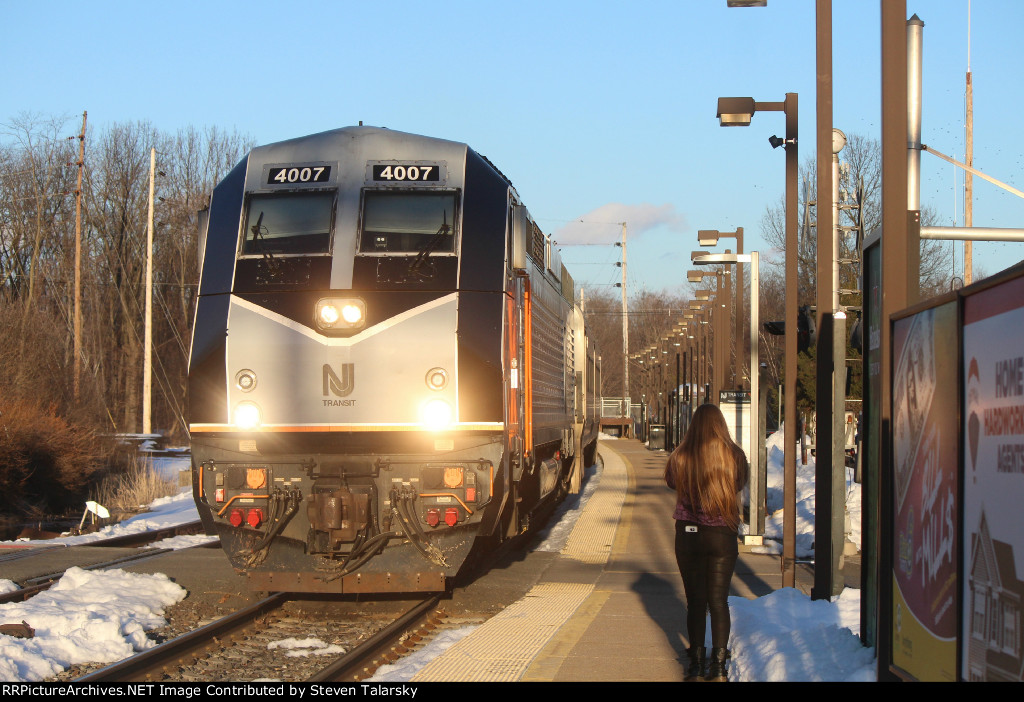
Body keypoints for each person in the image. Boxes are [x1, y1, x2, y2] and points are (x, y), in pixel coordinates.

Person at [664, 403, 749, 682]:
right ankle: (719, 667)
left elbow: (671, 482)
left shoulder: (681, 455)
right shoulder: (734, 456)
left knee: (696, 602)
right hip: (722, 535)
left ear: (694, 425)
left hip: (688, 534)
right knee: (718, 601)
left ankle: (696, 663)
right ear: (721, 425)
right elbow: (739, 483)